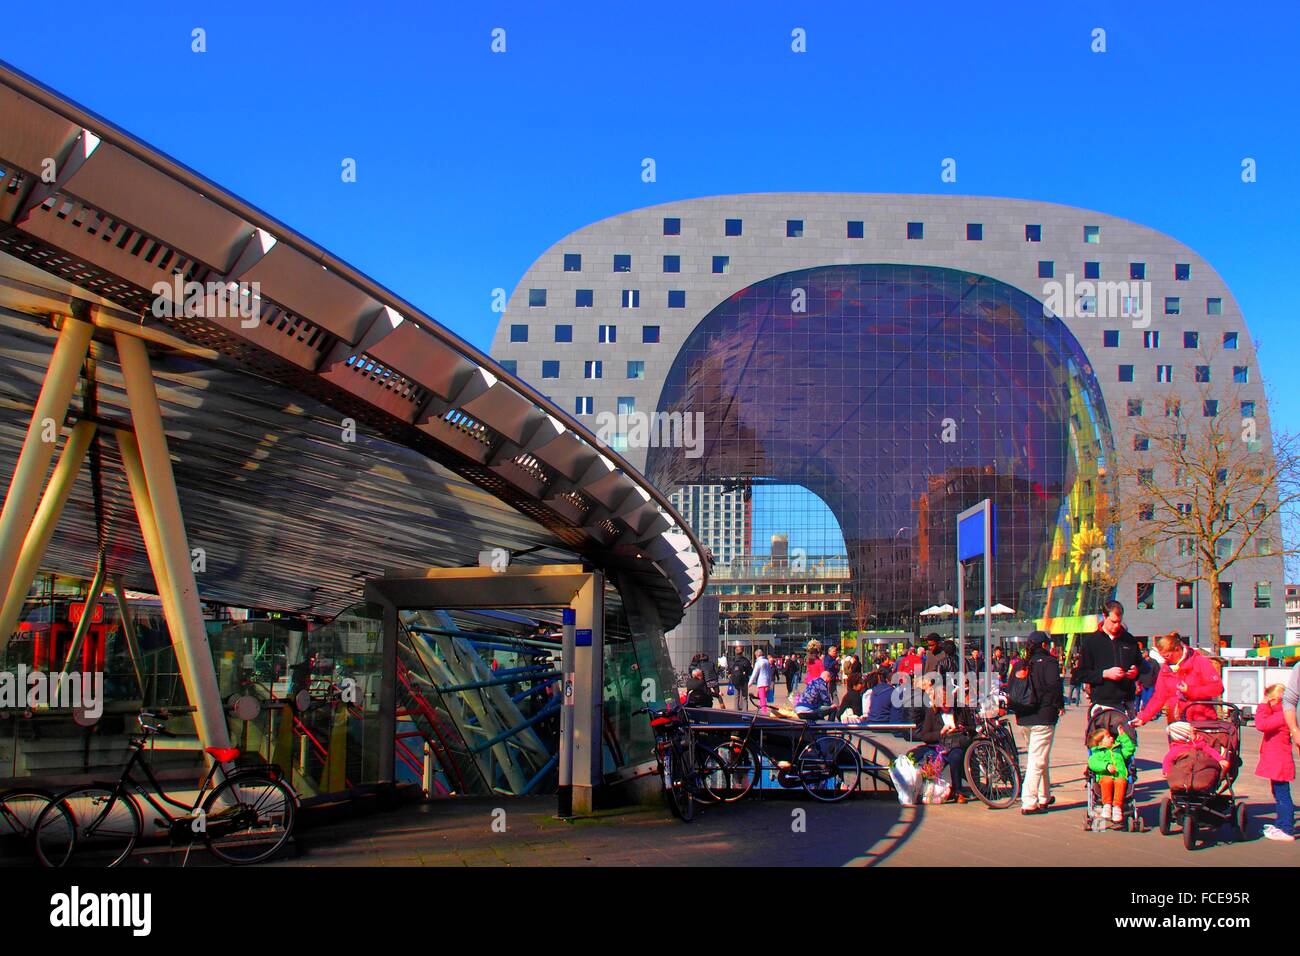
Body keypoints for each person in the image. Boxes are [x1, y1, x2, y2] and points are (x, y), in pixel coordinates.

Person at [1012, 631, 1064, 815]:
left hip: (1025, 717)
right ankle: (1029, 801)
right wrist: (1059, 705)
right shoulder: (1049, 663)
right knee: (1037, 759)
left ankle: (1044, 796)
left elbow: (1012, 688)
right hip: (1044, 715)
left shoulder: (1020, 664)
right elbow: (1055, 687)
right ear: (1043, 645)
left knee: (1040, 757)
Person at [1131, 632, 1223, 728]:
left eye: (1167, 656)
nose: (1166, 660)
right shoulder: (1166, 669)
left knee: (1199, 743)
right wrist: (1143, 717)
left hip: (1201, 721)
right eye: (1163, 657)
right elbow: (1159, 697)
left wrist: (1190, 690)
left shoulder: (1199, 662)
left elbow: (1217, 688)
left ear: (1177, 649)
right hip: (1176, 722)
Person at [1074, 600, 1142, 721]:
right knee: (1102, 739)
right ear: (1104, 616)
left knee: (1126, 739)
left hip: (1126, 701)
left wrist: (1135, 672)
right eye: (1113, 622)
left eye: (1119, 622)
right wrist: (1105, 674)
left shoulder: (1129, 640)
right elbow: (1081, 674)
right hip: (1102, 701)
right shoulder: (1092, 641)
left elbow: (1141, 665)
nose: (1116, 626)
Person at [915, 680, 971, 803]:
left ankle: (958, 791)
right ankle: (932, 792)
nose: (946, 706)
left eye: (948, 703)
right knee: (931, 759)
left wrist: (962, 728)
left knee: (956, 756)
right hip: (939, 745)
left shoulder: (959, 710)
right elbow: (925, 736)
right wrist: (941, 732)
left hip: (956, 743)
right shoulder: (932, 712)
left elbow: (972, 727)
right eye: (943, 704)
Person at [1255, 682, 1295, 841]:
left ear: (1275, 700)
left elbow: (1261, 724)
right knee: (1278, 794)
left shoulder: (1282, 715)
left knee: (1283, 795)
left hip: (1280, 761)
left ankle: (1286, 829)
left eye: (1269, 700)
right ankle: (1280, 824)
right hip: (1277, 761)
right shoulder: (1279, 713)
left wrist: (1262, 706)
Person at [1087, 724, 1136, 828]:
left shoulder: (1118, 750)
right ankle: (1107, 805)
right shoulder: (1097, 753)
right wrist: (1106, 766)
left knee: (1120, 782)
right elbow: (1093, 763)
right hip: (1104, 776)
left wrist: (1123, 736)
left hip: (1119, 776)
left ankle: (1117, 807)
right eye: (1108, 737)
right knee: (1107, 780)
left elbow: (1130, 749)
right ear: (1100, 742)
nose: (1112, 738)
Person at [748, 647, 772, 716]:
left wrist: (750, 683)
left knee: (762, 697)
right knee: (761, 695)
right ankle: (762, 707)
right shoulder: (767, 661)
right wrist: (769, 682)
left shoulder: (758, 662)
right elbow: (769, 673)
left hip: (761, 682)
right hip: (767, 681)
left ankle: (764, 710)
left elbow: (754, 673)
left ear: (757, 655)